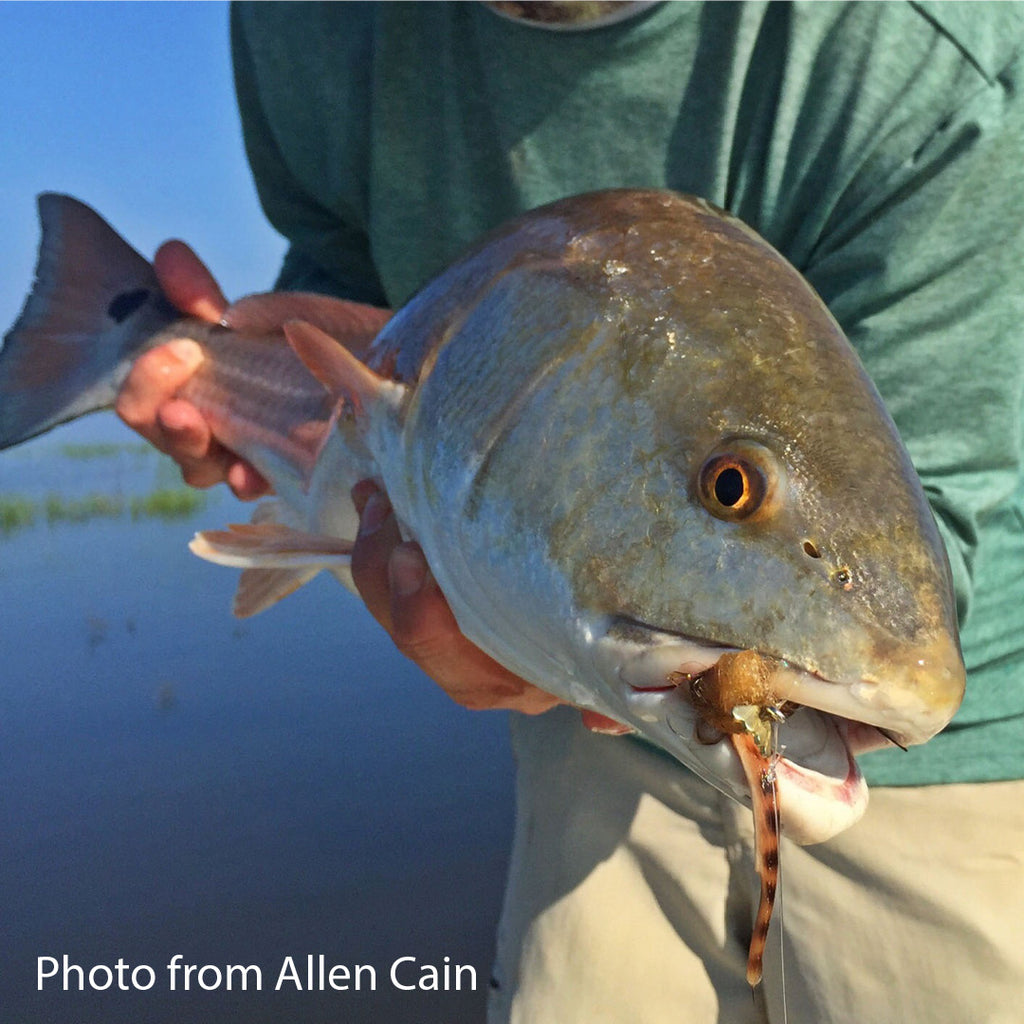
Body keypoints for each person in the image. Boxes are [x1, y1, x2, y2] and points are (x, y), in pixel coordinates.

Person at [116, 3, 1024, 1021]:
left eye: (733, 485)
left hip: (933, 735)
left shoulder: (916, 44)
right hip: (590, 690)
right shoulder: (304, 25)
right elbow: (346, 268)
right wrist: (239, 362)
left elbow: (934, 493)